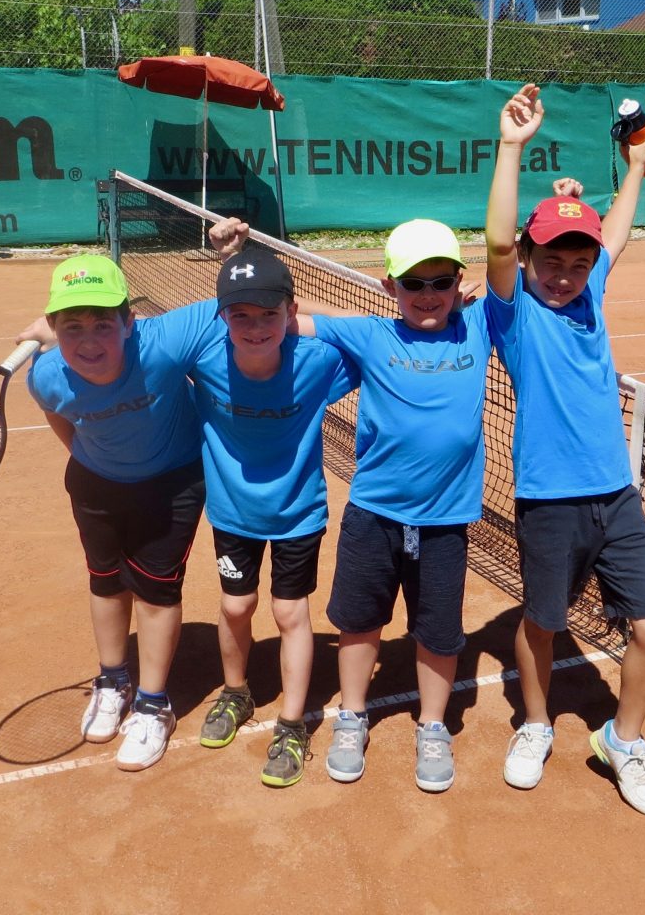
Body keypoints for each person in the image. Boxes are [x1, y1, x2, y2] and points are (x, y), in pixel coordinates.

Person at [214, 217, 491, 793]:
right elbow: (282, 318)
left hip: (446, 522)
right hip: (373, 514)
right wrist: (241, 258)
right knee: (360, 624)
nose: (429, 294)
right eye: (413, 284)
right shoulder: (371, 335)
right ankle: (351, 716)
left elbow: (517, 269)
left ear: (459, 281)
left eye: (442, 282)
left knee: (438, 633)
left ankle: (433, 726)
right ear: (389, 287)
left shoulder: (480, 326)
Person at [483, 83, 645, 816]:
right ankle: (534, 723)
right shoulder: (513, 313)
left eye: (577, 261)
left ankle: (622, 741)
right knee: (545, 623)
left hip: (615, 494)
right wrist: (512, 147)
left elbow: (618, 228)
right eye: (551, 260)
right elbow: (498, 242)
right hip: (549, 497)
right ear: (530, 256)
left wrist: (634, 165)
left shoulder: (591, 291)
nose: (565, 274)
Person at [26, 254, 215, 773]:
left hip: (173, 480)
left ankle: (154, 703)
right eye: (72, 327)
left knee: (156, 588)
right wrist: (94, 462)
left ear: (130, 323)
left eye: (103, 325)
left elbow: (253, 304)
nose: (89, 341)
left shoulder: (166, 342)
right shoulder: (45, 376)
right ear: (54, 329)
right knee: (106, 581)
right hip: (93, 481)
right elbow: (60, 420)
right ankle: (113, 679)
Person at [191, 247, 357, 787]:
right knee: (236, 604)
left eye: (269, 315)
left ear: (290, 313)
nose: (255, 327)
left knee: (290, 614)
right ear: (221, 316)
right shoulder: (203, 359)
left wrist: (301, 317)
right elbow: (133, 340)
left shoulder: (318, 361)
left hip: (298, 514)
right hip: (232, 511)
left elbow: (381, 336)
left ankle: (291, 723)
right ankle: (235, 692)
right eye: (241, 315)